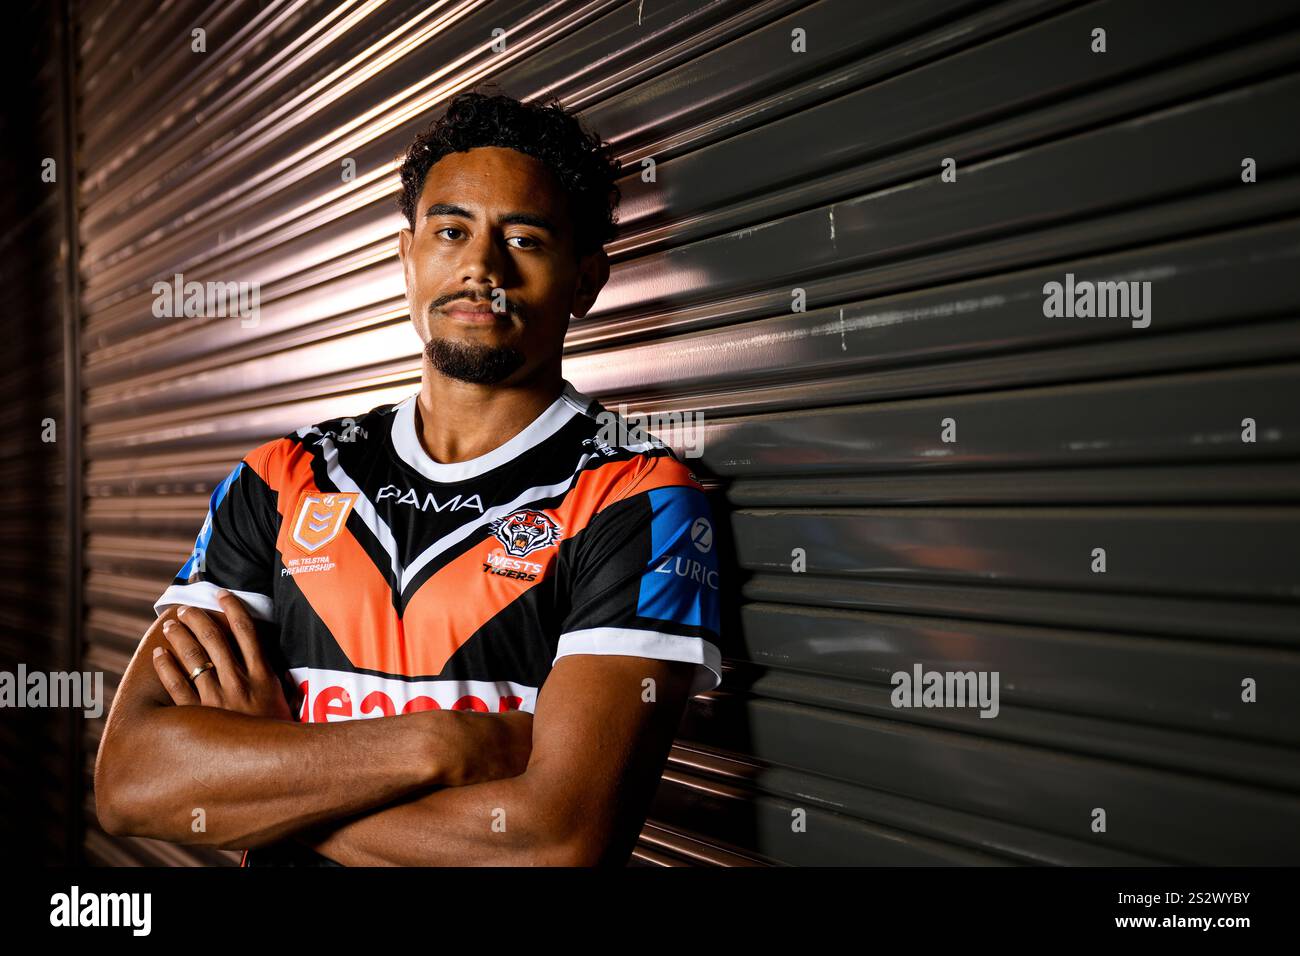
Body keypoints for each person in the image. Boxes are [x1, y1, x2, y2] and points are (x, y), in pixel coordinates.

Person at [93, 89, 723, 866]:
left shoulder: (635, 498)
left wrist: (269, 772)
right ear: (406, 257)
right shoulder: (282, 478)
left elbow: (557, 842)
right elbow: (131, 783)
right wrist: (444, 742)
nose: (479, 268)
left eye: (523, 239)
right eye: (450, 230)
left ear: (586, 282)